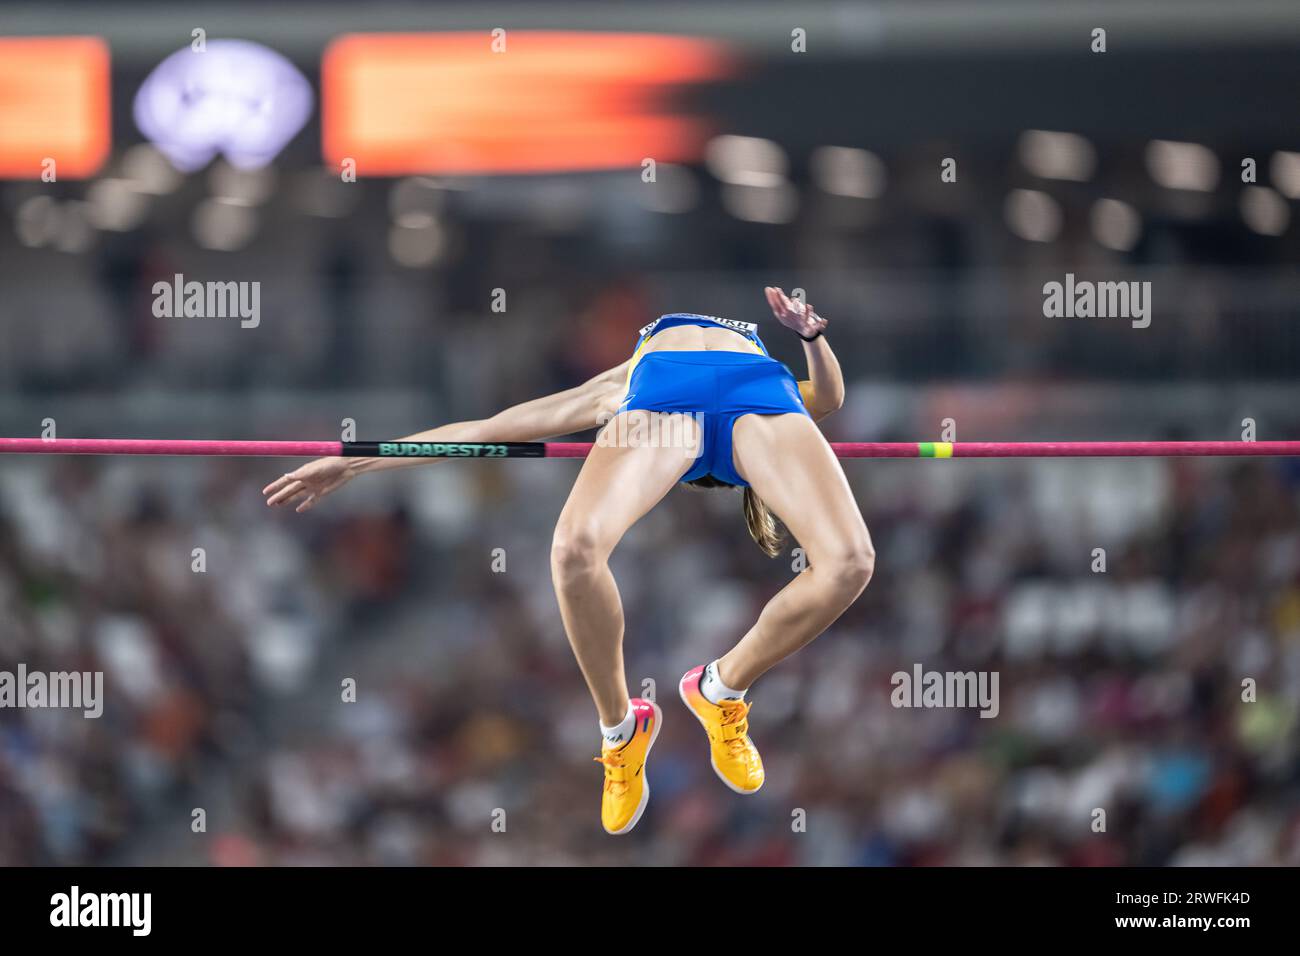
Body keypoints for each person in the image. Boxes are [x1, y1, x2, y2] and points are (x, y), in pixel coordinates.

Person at [263, 288, 874, 834]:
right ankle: (621, 728)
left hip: (734, 408)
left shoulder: (633, 384)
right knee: (575, 551)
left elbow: (486, 428)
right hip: (720, 407)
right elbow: (829, 396)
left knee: (851, 563)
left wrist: (355, 458)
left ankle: (721, 688)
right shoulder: (629, 387)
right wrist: (813, 340)